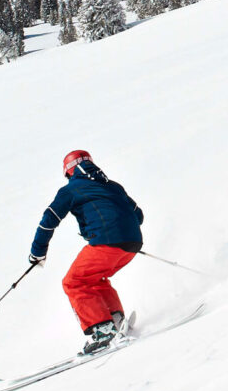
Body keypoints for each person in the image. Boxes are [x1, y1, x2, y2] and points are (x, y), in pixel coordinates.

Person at [29, 150, 146, 354]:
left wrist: (37, 253)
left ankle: (102, 329)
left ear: (69, 172)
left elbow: (48, 221)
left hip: (106, 243)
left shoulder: (71, 190)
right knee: (93, 279)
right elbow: (138, 215)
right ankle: (115, 320)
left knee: (73, 282)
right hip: (132, 244)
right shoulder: (113, 186)